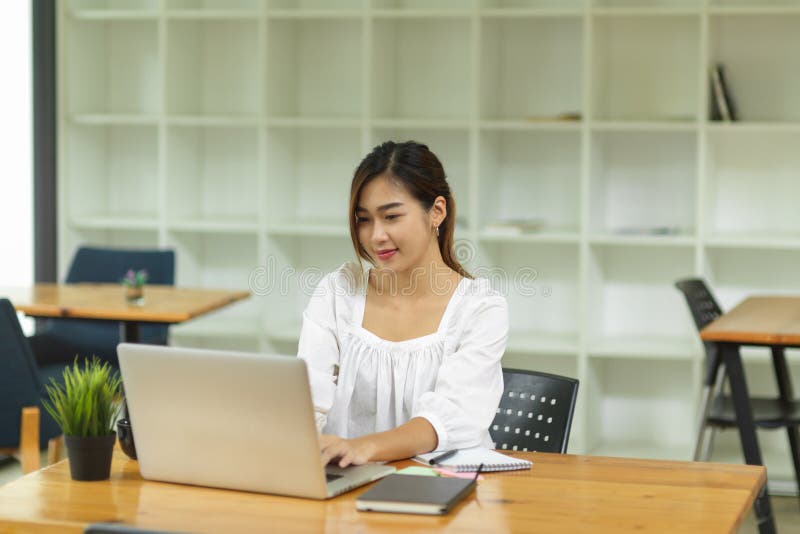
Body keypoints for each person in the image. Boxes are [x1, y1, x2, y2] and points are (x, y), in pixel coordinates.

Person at [298, 141, 508, 468]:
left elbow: (448, 418)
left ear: (437, 211)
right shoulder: (338, 292)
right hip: (350, 480)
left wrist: (362, 447)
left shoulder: (481, 308)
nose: (375, 236)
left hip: (446, 481)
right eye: (364, 219)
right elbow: (307, 399)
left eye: (391, 216)